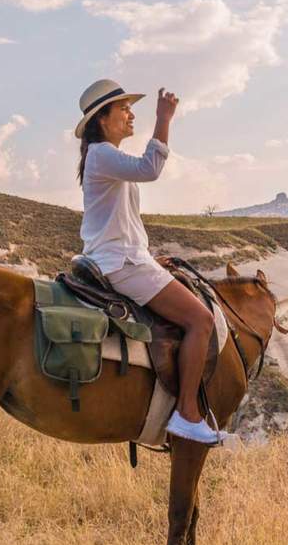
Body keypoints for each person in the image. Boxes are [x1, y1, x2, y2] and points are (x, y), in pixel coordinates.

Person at [74, 78, 225, 445]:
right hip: (121, 263)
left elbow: (120, 222)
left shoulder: (104, 158)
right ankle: (187, 413)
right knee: (200, 320)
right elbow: (151, 168)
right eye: (123, 109)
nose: (130, 114)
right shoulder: (102, 153)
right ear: (102, 120)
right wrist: (164, 119)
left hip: (123, 257)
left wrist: (146, 256)